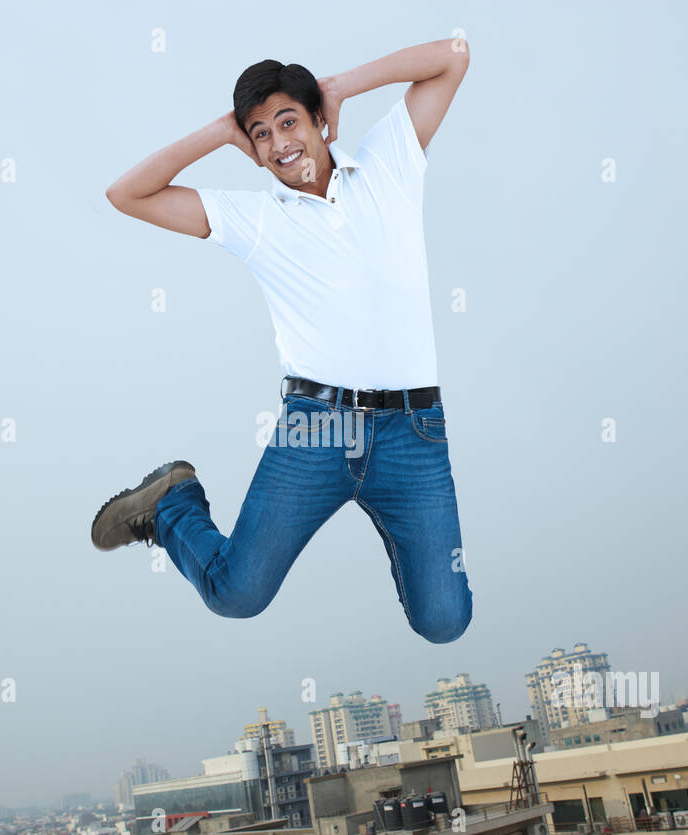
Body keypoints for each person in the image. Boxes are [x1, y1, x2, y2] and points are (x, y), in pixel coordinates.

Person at [93, 39, 473, 644]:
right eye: (260, 133)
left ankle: (401, 535)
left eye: (288, 120)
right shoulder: (256, 219)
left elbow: (454, 54)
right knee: (237, 594)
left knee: (445, 620)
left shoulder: (388, 166)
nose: (279, 142)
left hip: (413, 433)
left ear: (320, 120)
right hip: (315, 431)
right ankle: (172, 503)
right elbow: (126, 194)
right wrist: (221, 131)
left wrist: (341, 85)